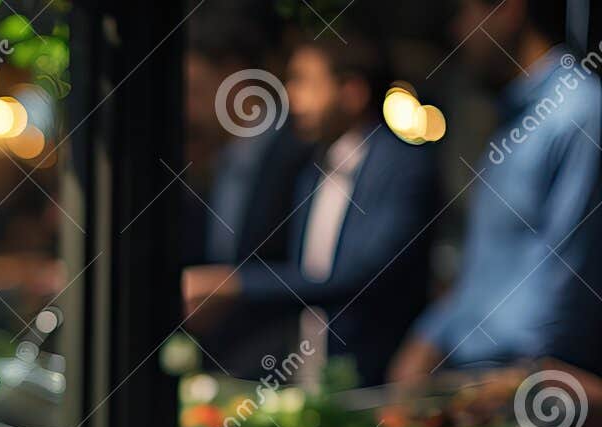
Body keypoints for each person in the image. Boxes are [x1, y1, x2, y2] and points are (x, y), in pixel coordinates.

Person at [184, 29, 438, 387]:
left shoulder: (403, 167)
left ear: (351, 92)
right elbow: (305, 271)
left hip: (376, 379)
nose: (291, 97)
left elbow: (360, 274)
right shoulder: (311, 168)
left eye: (304, 82)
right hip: (311, 372)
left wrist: (235, 285)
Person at [388, 0, 602, 383]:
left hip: (530, 389)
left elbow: (573, 272)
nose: (457, 32)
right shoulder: (509, 121)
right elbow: (484, 267)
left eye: (464, 13)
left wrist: (533, 376)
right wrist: (429, 336)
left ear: (508, 10)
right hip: (476, 379)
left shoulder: (578, 110)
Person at [180, 2, 313, 377]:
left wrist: (233, 287)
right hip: (221, 366)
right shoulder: (218, 159)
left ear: (234, 77)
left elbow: (317, 273)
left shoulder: (301, 152)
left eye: (194, 88)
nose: (187, 108)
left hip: (283, 367)